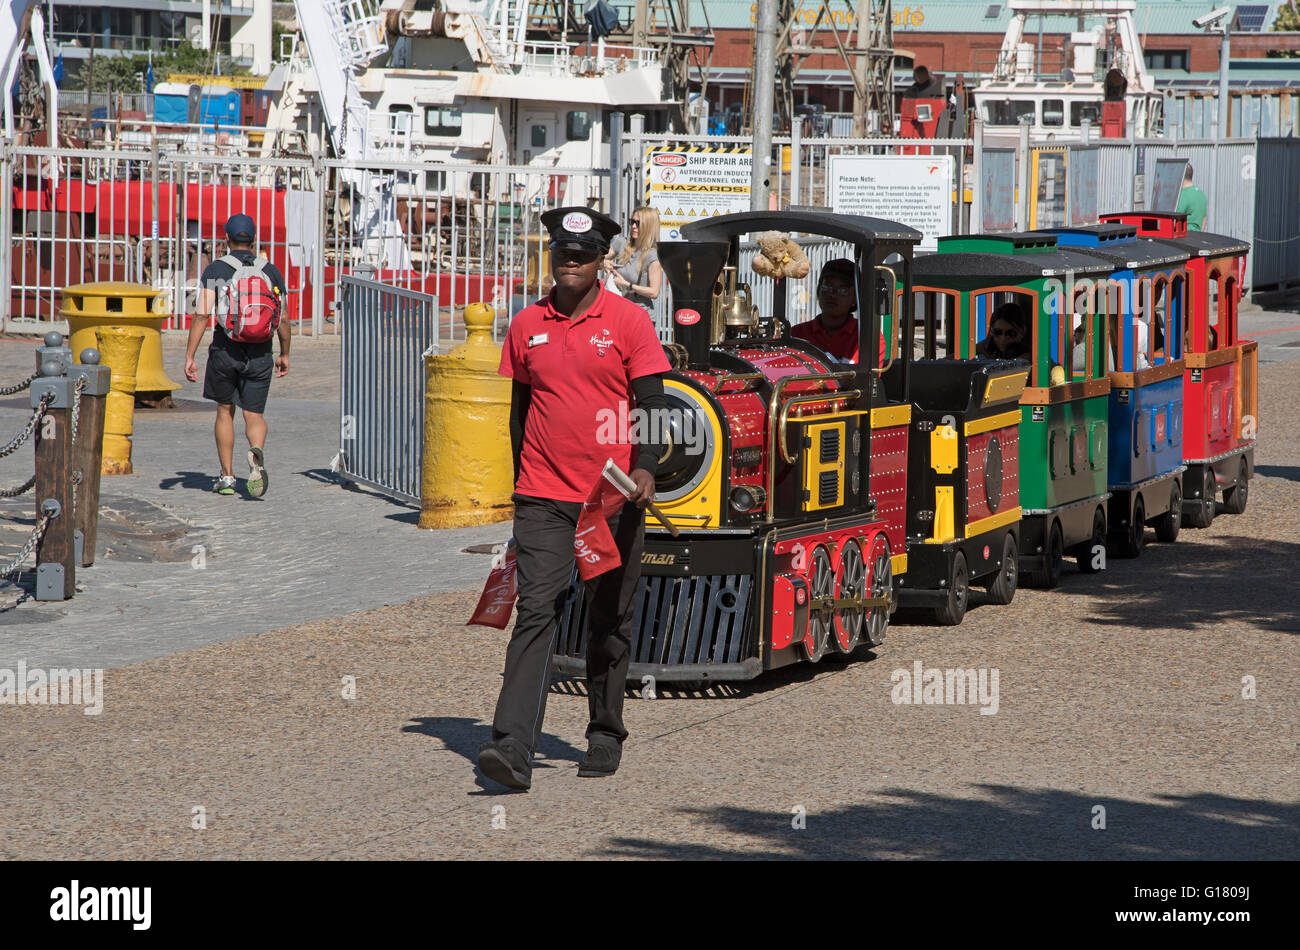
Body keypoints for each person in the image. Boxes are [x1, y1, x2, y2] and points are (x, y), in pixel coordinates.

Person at [478, 206, 670, 792]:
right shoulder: (525, 324)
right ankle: (513, 746)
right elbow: (520, 412)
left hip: (611, 497)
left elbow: (652, 404)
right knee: (537, 609)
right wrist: (522, 482)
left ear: (601, 260)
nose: (570, 262)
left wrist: (644, 467)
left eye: (582, 255)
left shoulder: (630, 321)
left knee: (610, 615)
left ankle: (605, 731)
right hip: (543, 494)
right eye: (562, 252)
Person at [183, 213, 289, 497]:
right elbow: (284, 319)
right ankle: (256, 454)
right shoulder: (271, 270)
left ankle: (228, 477)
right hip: (261, 352)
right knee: (254, 415)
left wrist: (190, 355)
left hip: (225, 349)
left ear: (226, 238)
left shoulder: (217, 269)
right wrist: (284, 353)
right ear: (253, 240)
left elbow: (202, 314)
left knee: (224, 410)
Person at [790, 258, 886, 365]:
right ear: (819, 290)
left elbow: (865, 376)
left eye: (842, 290)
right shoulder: (795, 335)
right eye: (827, 286)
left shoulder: (869, 339)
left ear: (855, 298)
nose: (832, 294)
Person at [604, 206, 662, 317]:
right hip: (618, 311)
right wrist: (604, 263)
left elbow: (654, 292)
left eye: (638, 223)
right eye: (632, 222)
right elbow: (598, 257)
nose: (634, 226)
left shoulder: (652, 255)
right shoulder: (621, 242)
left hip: (640, 315)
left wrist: (627, 284)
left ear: (648, 226)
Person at [1176, 164, 1207, 231]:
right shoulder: (1201, 194)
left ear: (1181, 175)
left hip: (1184, 235)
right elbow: (1204, 218)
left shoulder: (1182, 195)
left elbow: (1173, 220)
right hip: (1198, 235)